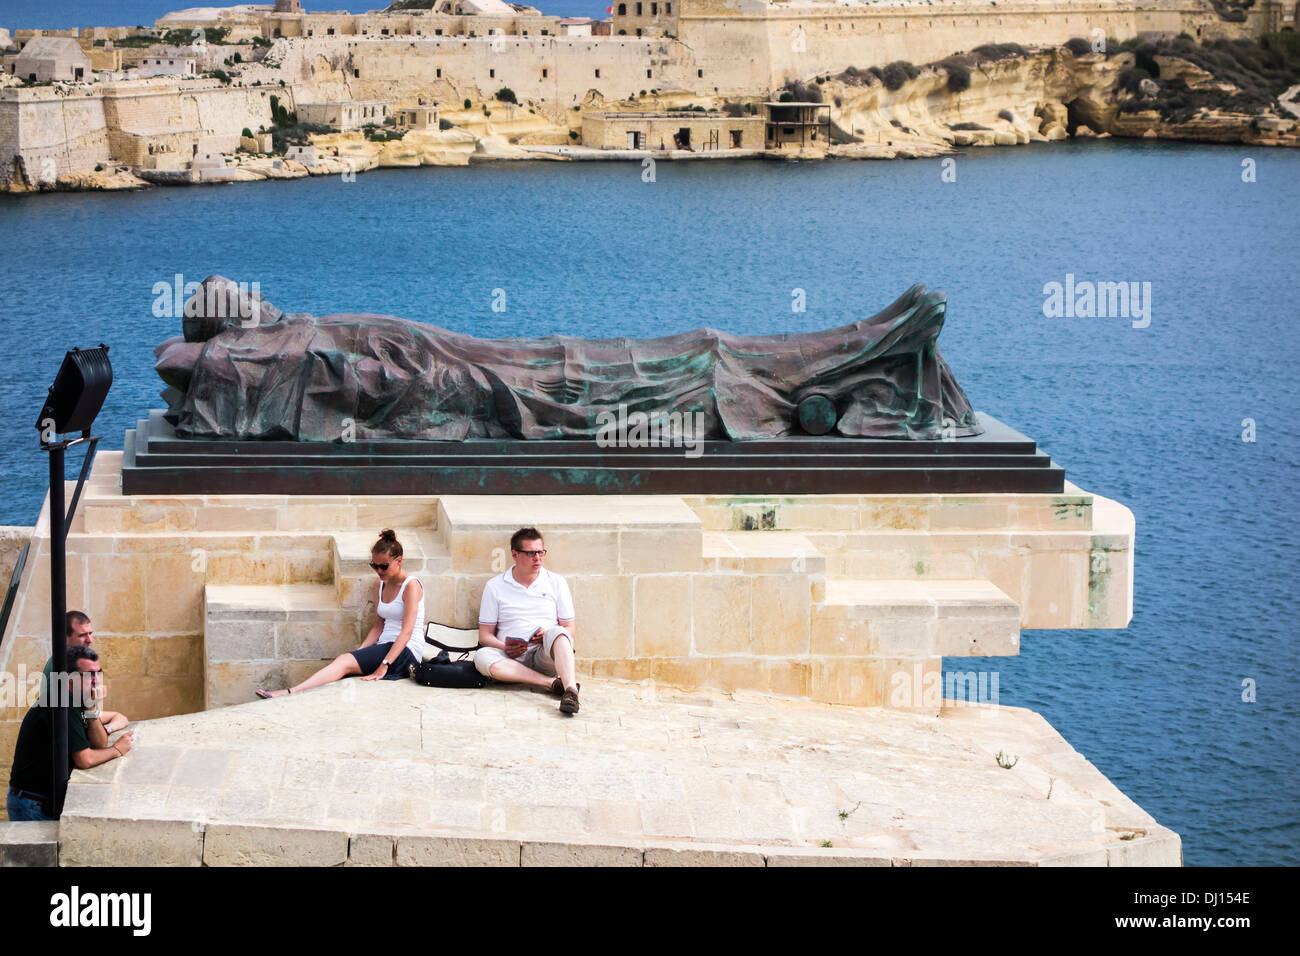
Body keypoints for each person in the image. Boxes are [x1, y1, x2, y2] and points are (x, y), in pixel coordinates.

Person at [257, 529, 424, 698]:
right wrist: (359, 653)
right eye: (374, 565)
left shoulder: (411, 586)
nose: (379, 571)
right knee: (346, 663)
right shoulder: (379, 584)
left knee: (344, 663)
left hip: (405, 651)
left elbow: (406, 632)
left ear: (399, 561)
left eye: (384, 566)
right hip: (384, 646)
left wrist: (384, 664)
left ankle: (289, 692)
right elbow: (377, 627)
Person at [7, 646, 133, 821]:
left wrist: (92, 709)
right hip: (32, 803)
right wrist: (117, 750)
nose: (96, 680)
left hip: (41, 800)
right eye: (89, 675)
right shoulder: (61, 701)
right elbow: (85, 759)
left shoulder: (78, 699)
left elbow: (111, 728)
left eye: (99, 673)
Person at [474, 527, 581, 715]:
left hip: (544, 653)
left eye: (540, 552)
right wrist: (504, 646)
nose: (537, 558)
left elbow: (569, 629)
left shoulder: (556, 582)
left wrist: (548, 634)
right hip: (511, 657)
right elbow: (484, 635)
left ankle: (571, 691)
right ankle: (552, 684)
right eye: (531, 553)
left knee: (559, 632)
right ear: (515, 554)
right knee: (481, 657)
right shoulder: (495, 586)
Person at [38, 611, 129, 736]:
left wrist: (107, 729)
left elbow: (87, 715)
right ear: (65, 638)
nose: (90, 640)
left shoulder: (75, 661)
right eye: (82, 635)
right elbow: (65, 720)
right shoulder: (60, 666)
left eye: (91, 633)